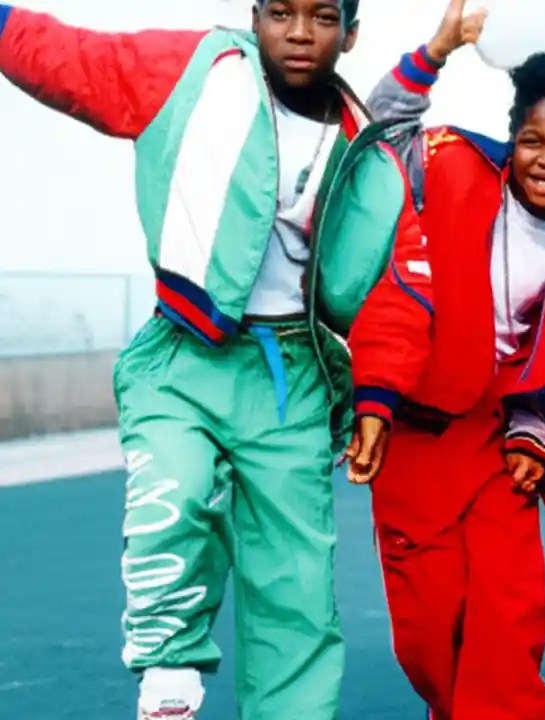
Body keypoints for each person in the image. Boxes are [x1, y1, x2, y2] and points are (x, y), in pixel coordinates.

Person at [0, 1, 420, 718]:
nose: (297, 32)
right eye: (279, 12)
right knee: (177, 491)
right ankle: (168, 678)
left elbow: (395, 286)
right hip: (184, 358)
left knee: (295, 584)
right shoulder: (194, 75)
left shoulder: (371, 158)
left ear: (351, 34)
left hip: (291, 380)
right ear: (252, 17)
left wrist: (376, 397)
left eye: (321, 17)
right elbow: (73, 59)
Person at [341, 2, 545, 718]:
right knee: (428, 632)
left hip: (497, 440)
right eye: (533, 141)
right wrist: (437, 49)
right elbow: (377, 132)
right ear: (511, 138)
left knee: (508, 612)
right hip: (414, 433)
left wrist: (540, 429)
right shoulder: (451, 165)